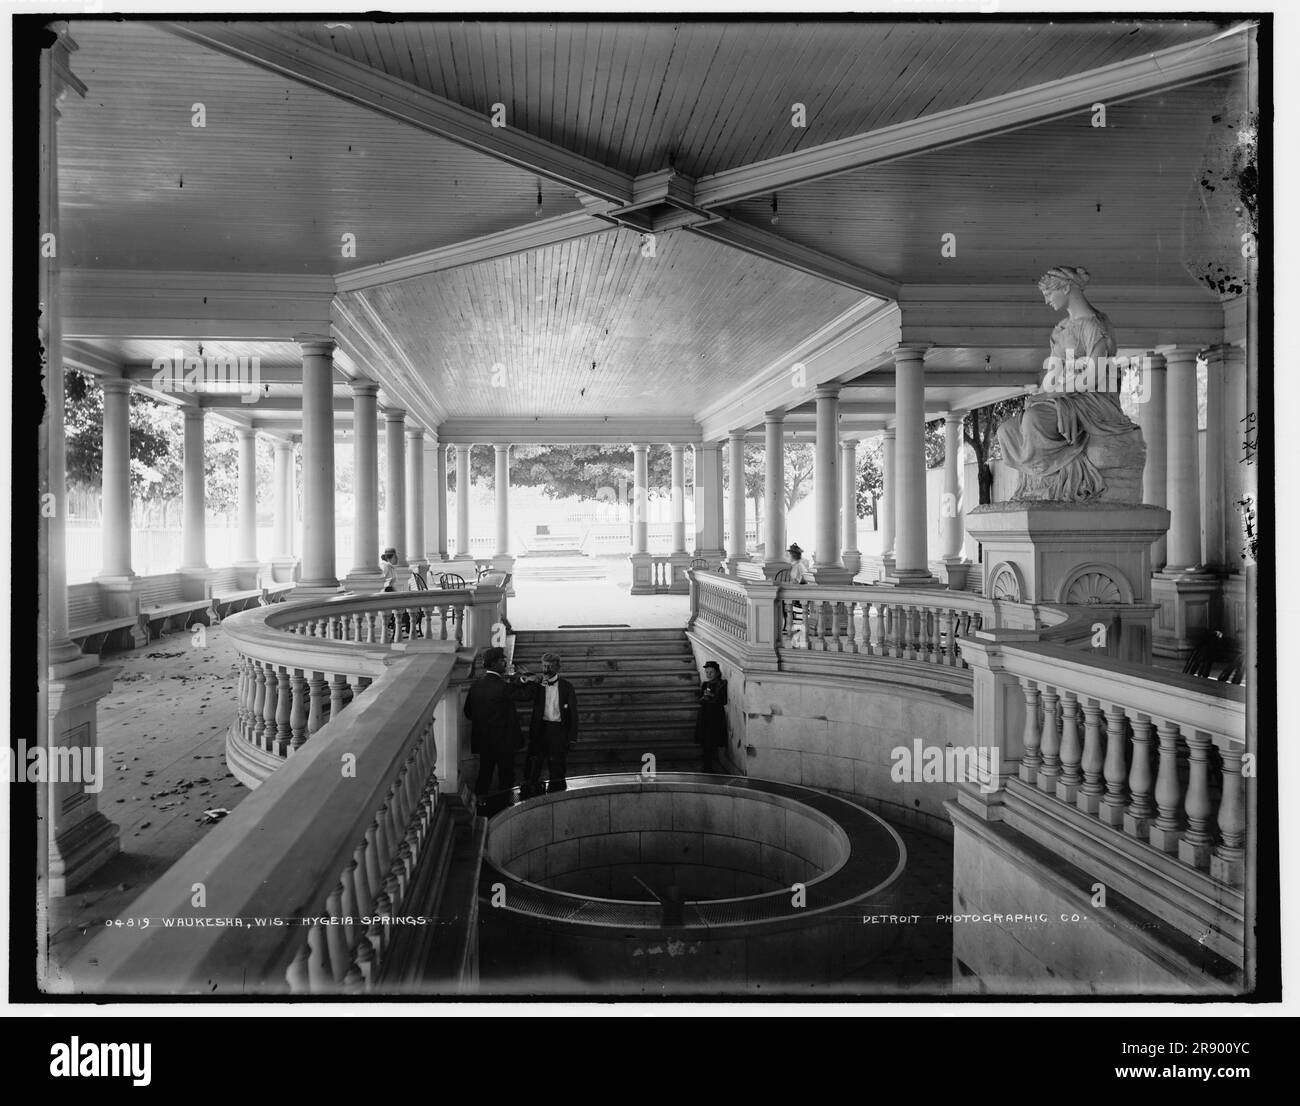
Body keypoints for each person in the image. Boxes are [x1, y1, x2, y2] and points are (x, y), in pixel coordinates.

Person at [996, 266, 1145, 502]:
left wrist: (1055, 393)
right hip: (1065, 395)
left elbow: (1094, 376)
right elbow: (1051, 375)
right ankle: (1043, 477)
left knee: (1034, 420)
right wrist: (1045, 393)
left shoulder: (1095, 325)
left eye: (1049, 293)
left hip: (1092, 399)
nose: (1046, 301)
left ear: (1066, 287)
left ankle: (1052, 474)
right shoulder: (1061, 329)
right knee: (1007, 430)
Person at [463, 646, 531, 812]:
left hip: (485, 741)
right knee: (506, 776)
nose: (505, 662)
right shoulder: (500, 686)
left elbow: (468, 712)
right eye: (502, 660)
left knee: (484, 774)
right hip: (504, 741)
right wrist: (529, 679)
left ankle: (480, 806)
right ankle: (505, 807)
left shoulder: (476, 685)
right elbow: (526, 696)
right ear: (493, 664)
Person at [521, 652, 579, 796]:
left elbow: (573, 714)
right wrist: (526, 679)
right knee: (535, 766)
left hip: (558, 730)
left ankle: (557, 796)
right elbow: (522, 688)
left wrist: (572, 737)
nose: (545, 669)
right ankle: (532, 797)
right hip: (541, 729)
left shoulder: (567, 686)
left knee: (557, 767)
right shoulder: (538, 684)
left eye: (549, 666)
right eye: (544, 666)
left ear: (557, 668)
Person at [694, 661, 728, 772]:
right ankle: (706, 765)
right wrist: (704, 698)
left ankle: (709, 765)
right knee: (705, 740)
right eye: (707, 672)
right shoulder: (705, 684)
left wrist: (711, 696)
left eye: (711, 672)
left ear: (717, 672)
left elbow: (722, 701)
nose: (708, 675)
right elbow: (699, 700)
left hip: (715, 716)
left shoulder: (721, 684)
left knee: (712, 739)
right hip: (704, 715)